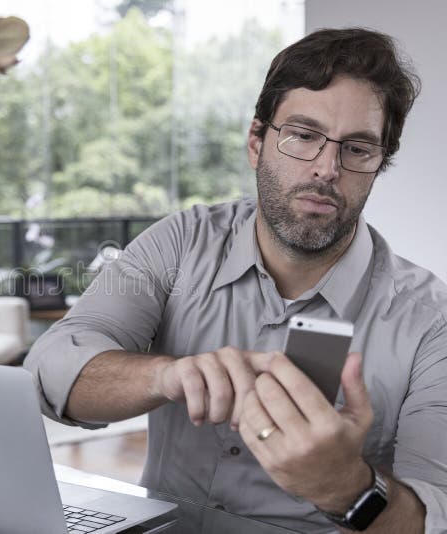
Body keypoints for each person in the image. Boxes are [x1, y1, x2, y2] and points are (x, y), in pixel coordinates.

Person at [24, 28, 447, 533]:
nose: (326, 168)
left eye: (357, 149)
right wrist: (166, 375)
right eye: (303, 135)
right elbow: (50, 368)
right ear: (257, 142)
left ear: (379, 165)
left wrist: (348, 488)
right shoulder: (179, 242)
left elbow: (434, 515)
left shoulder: (431, 322)